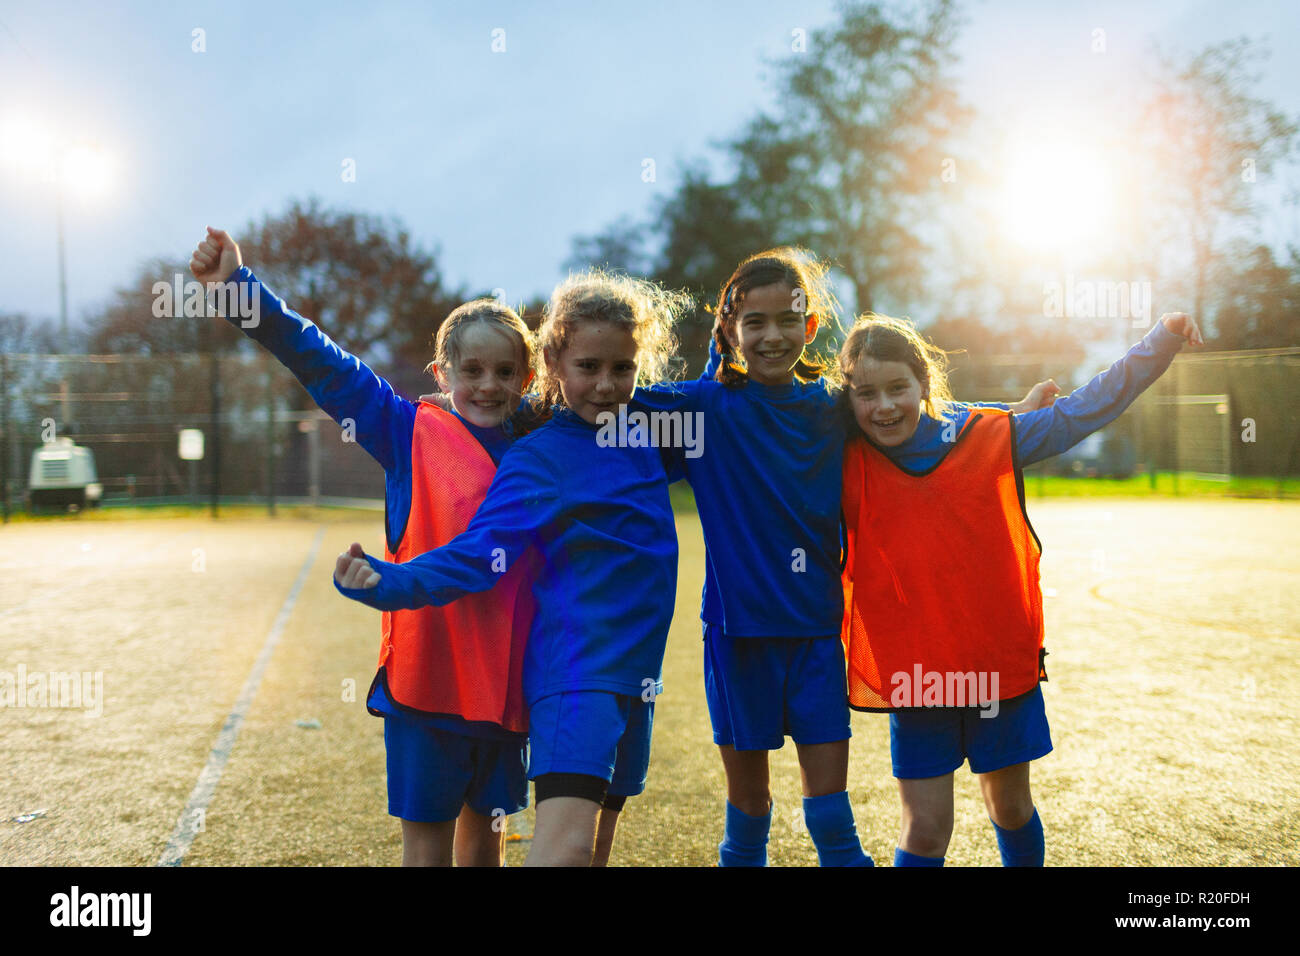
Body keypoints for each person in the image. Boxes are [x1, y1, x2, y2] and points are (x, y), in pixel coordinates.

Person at [633, 248, 1053, 866]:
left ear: (810, 329)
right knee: (748, 808)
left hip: (817, 635)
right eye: (754, 322)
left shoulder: (833, 407)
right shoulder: (699, 411)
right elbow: (599, 408)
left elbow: (918, 415)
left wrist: (1007, 417)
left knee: (830, 812)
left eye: (787, 321)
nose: (771, 336)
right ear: (730, 329)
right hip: (735, 636)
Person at [188, 227, 536, 867]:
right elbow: (319, 359)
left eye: (505, 371)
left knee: (485, 843)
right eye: (472, 369)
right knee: (426, 848)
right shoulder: (406, 430)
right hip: (425, 684)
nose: (488, 384)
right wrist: (240, 290)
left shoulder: (541, 448)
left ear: (528, 376)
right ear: (442, 372)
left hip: (506, 687)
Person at [333, 270, 689, 866]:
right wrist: (389, 582)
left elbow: (737, 407)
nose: (605, 385)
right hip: (572, 675)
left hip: (637, 682)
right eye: (588, 367)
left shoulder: (649, 430)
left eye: (621, 369)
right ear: (553, 362)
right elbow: (478, 555)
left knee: (593, 853)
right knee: (566, 851)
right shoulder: (539, 454)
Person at [837, 310, 1204, 866]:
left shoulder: (993, 438)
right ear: (848, 398)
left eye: (897, 388)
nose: (884, 406)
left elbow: (1085, 409)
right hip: (915, 676)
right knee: (925, 831)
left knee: (1009, 808)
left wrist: (1161, 340)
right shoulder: (842, 460)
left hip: (995, 667)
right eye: (866, 393)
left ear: (924, 385)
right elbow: (766, 423)